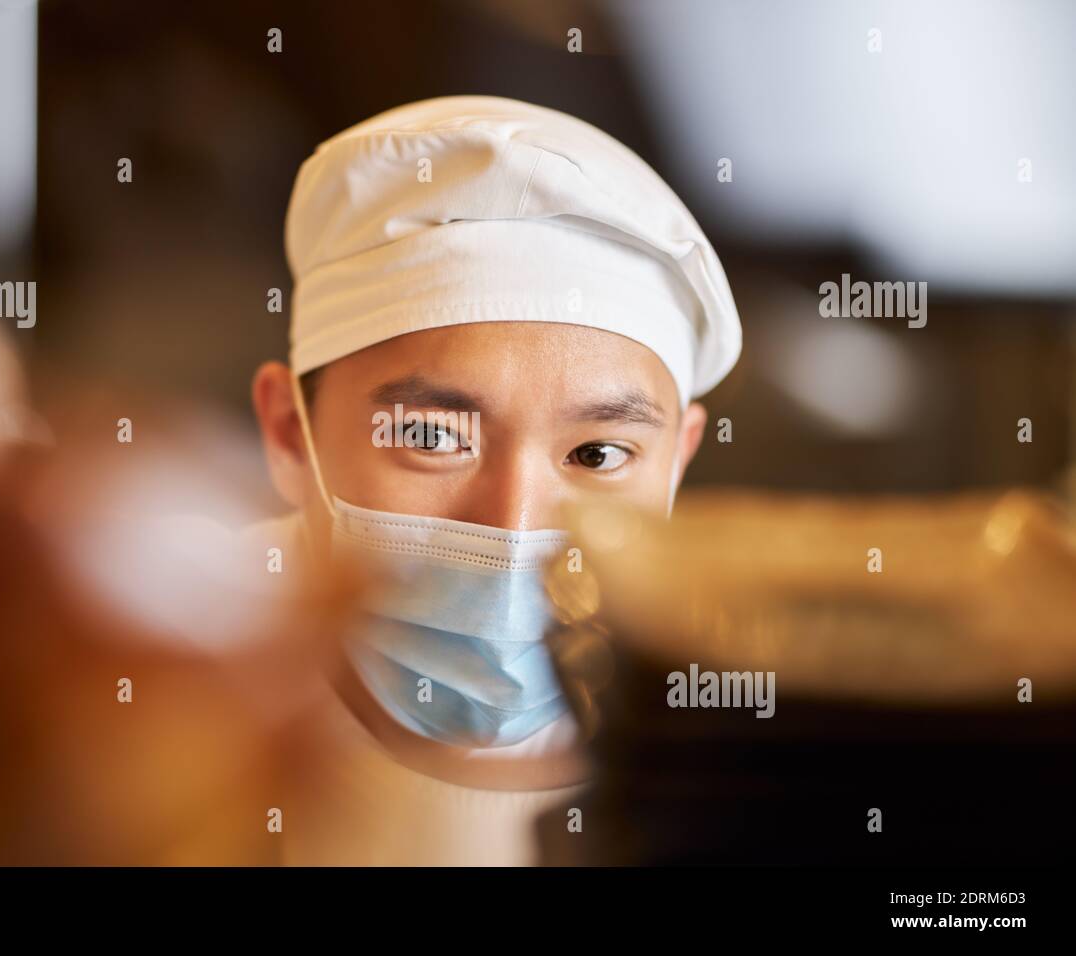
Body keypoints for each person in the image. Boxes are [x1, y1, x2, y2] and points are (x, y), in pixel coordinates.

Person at [247, 95, 743, 865]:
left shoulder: (751, 758)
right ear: (288, 433)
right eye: (429, 436)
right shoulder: (149, 692)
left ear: (676, 463)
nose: (510, 531)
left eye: (597, 456)